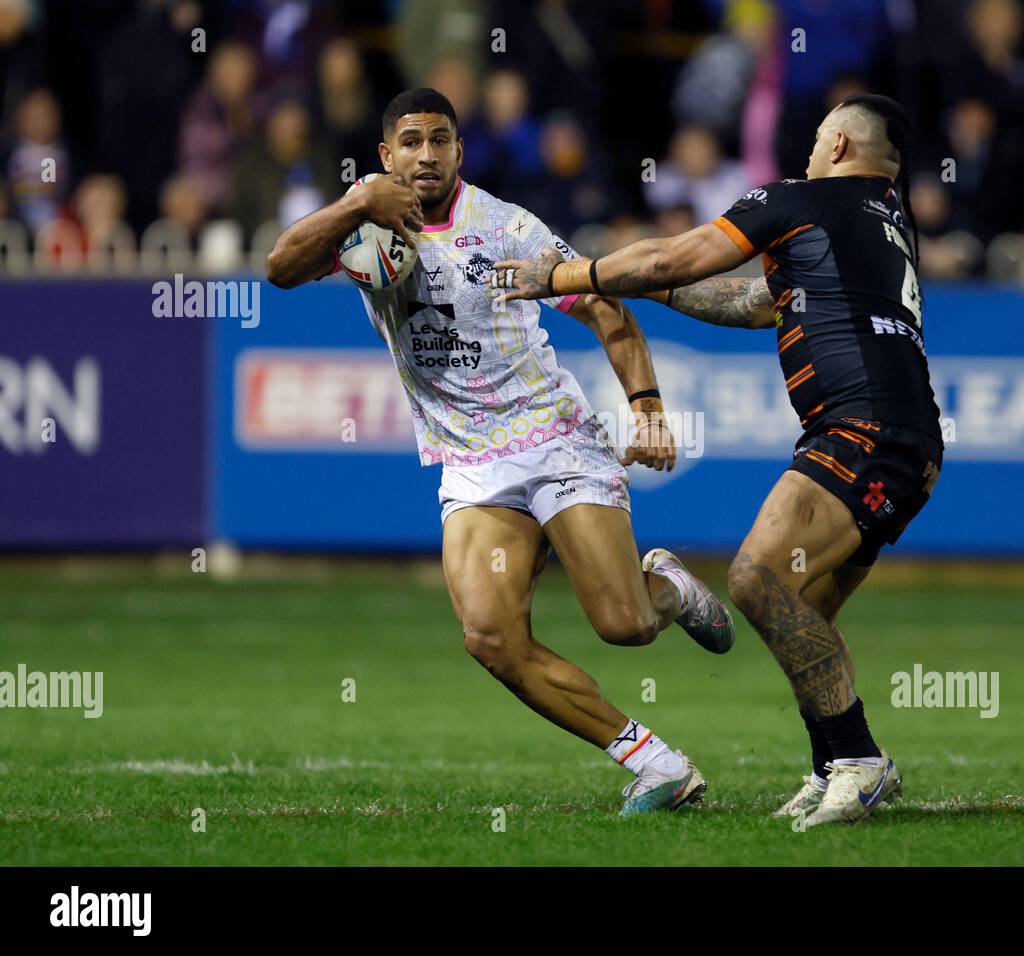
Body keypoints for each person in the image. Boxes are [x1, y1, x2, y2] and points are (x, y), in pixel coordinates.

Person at [266, 88, 735, 816]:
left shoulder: (506, 227)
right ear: (386, 156)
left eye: (441, 141)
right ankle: (657, 764)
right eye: (411, 142)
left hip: (554, 438)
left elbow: (605, 303)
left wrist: (645, 407)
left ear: (459, 150)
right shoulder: (363, 232)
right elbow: (279, 267)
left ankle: (668, 588)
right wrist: (355, 204)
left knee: (626, 627)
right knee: (490, 637)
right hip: (472, 463)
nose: (427, 155)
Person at [493, 94, 943, 827]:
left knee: (756, 577)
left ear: (837, 146)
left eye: (818, 129)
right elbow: (755, 301)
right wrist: (654, 285)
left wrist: (563, 277)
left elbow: (673, 252)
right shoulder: (883, 219)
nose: (807, 144)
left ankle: (860, 762)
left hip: (862, 430)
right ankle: (833, 763)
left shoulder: (800, 198)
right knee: (809, 605)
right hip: (907, 441)